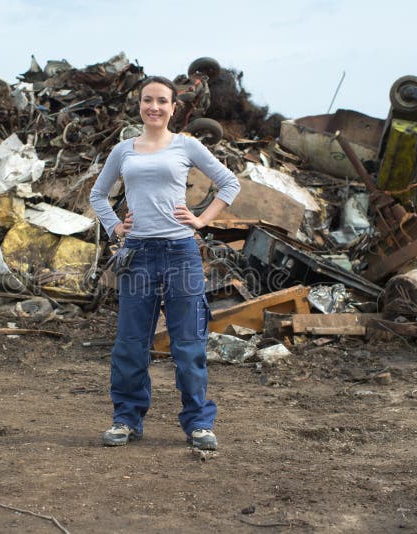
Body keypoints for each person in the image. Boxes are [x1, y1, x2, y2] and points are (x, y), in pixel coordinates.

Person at [89, 75, 240, 450]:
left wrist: (202, 220)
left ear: (174, 108)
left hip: (180, 253)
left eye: (161, 101)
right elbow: (97, 195)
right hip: (137, 254)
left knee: (188, 342)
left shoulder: (185, 145)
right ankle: (126, 419)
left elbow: (229, 183)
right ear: (139, 106)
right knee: (130, 342)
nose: (154, 107)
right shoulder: (124, 150)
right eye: (147, 100)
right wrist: (115, 227)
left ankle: (199, 424)